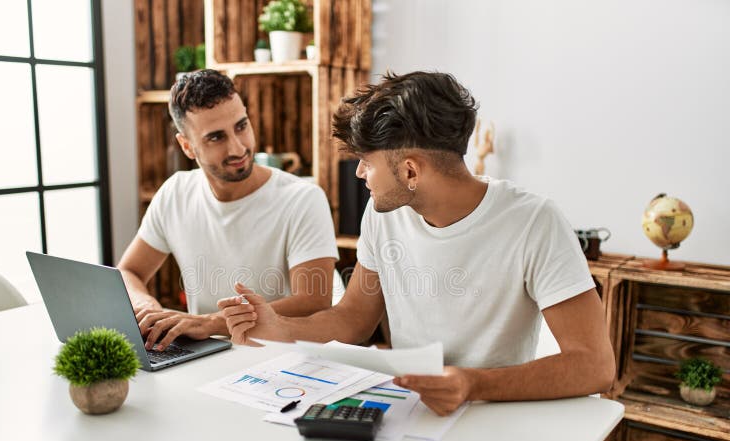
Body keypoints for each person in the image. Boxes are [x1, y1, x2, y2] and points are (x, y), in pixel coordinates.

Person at [218, 71, 615, 415]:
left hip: (498, 419)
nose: (359, 173)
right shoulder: (381, 216)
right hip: (411, 415)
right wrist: (278, 326)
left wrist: (473, 384)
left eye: (367, 161)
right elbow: (353, 320)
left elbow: (594, 365)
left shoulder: (535, 222)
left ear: (410, 169)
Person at [118, 70, 338, 351]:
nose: (238, 147)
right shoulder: (175, 193)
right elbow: (129, 271)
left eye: (241, 126)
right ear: (187, 146)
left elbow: (314, 302)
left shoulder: (303, 198)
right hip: (203, 356)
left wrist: (210, 323)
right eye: (216, 137)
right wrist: (149, 308)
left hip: (279, 357)